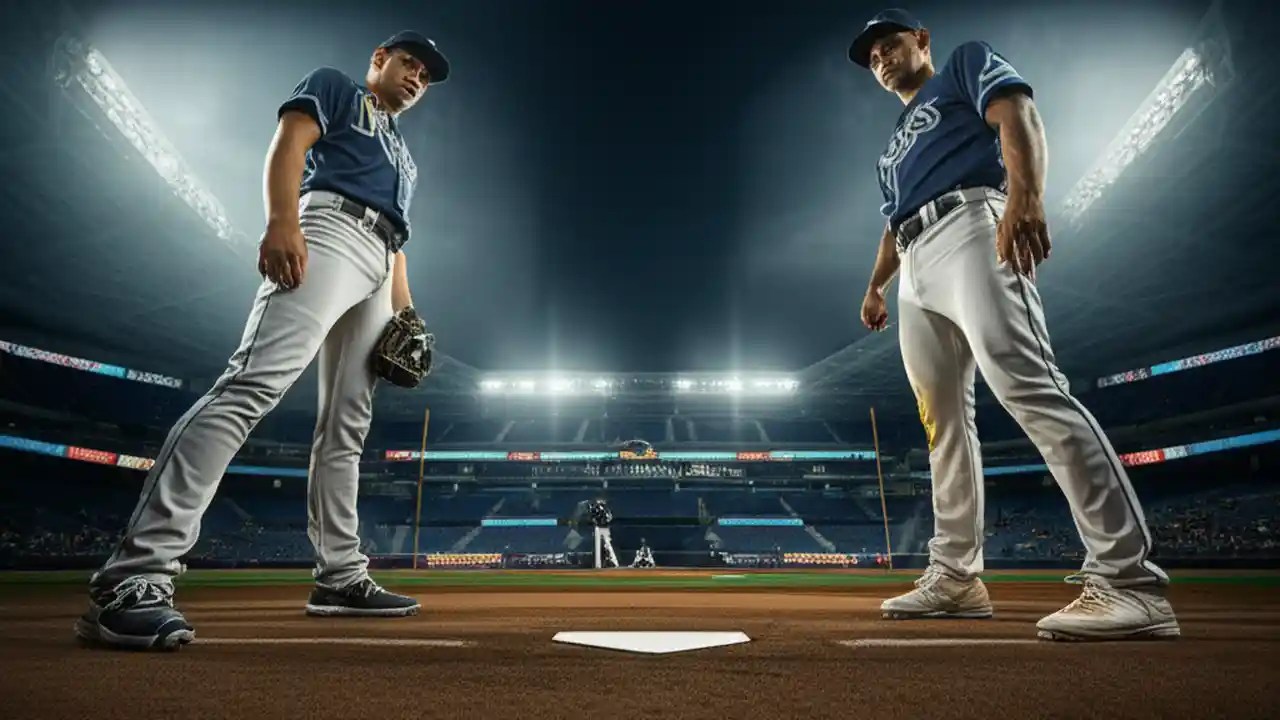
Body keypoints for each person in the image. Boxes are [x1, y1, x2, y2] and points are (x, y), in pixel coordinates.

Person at [75, 31, 451, 650]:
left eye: (427, 76)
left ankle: (340, 576)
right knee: (253, 385)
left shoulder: (406, 157)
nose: (418, 78)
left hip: (381, 261)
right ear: (380, 59)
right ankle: (135, 575)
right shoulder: (337, 85)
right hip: (329, 227)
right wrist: (282, 220)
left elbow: (399, 242)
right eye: (410, 63)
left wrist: (409, 318)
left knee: (348, 425)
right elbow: (291, 141)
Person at [847, 10, 1178, 641]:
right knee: (942, 422)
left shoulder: (964, 65)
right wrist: (875, 284)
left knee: (1028, 385)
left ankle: (1128, 578)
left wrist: (1025, 195)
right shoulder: (891, 146)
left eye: (889, 45)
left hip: (972, 223)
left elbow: (1015, 111)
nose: (881, 60)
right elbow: (894, 224)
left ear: (921, 41)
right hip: (915, 258)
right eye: (872, 59)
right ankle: (956, 577)